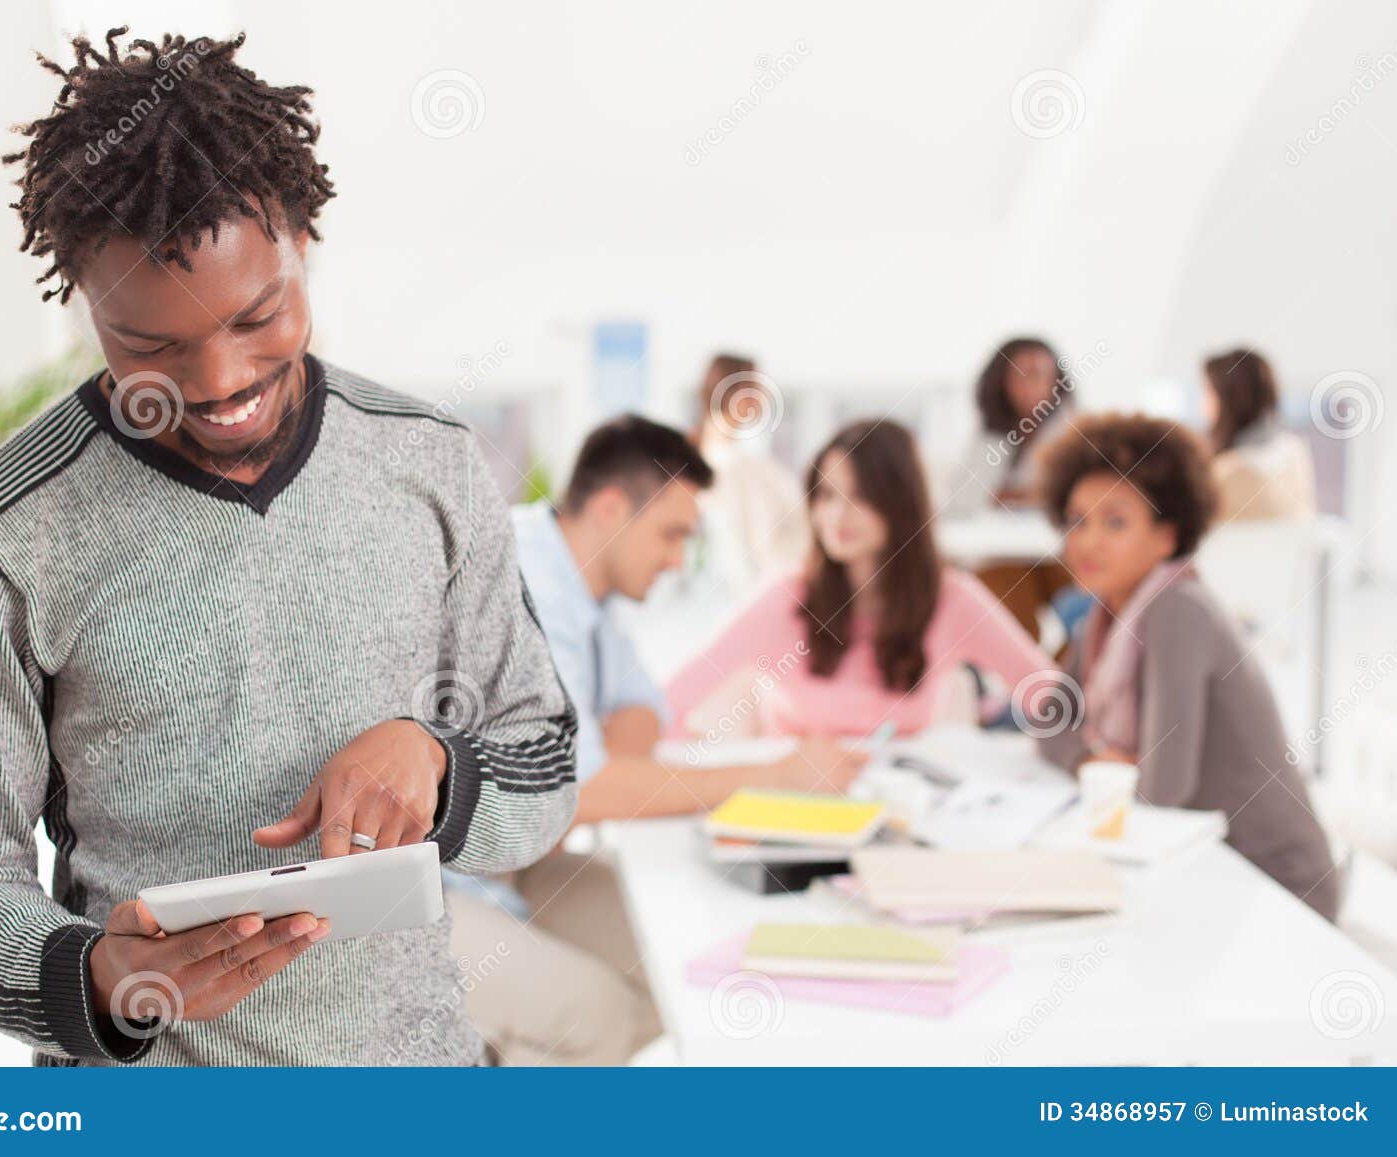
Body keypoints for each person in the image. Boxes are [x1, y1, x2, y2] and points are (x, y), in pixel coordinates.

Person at [0, 29, 578, 1067]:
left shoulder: (430, 465)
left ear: (304, 237)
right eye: (151, 344)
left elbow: (546, 763)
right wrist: (97, 976)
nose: (218, 379)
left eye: (259, 315)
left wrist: (436, 765)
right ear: (83, 296)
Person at [449, 414, 864, 1065]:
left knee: (681, 962)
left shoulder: (591, 586)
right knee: (599, 1018)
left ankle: (505, 1051)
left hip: (524, 862)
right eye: (671, 534)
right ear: (611, 508)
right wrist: (776, 774)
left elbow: (643, 711)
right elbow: (582, 786)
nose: (678, 560)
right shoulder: (529, 579)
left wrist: (589, 779)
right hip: (437, 891)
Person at [1033, 414, 1339, 920]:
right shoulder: (1107, 613)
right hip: (1193, 865)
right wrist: (1095, 763)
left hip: (1274, 884)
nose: (1087, 542)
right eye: (1076, 521)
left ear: (1167, 536)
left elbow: (1162, 791)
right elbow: (1048, 725)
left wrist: (1102, 765)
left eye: (1115, 522)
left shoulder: (1179, 611)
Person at [666, 419, 1057, 740]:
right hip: (795, 812)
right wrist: (720, 779)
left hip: (904, 808)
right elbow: (669, 704)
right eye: (827, 496)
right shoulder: (784, 598)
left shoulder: (952, 598)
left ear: (899, 502)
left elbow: (1050, 697)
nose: (837, 517)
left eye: (859, 497)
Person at [945, 337, 1080, 641]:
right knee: (996, 597)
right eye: (1019, 374)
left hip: (1061, 557)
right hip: (1003, 555)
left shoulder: (1074, 432)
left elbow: (1077, 500)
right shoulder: (988, 435)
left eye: (1038, 373)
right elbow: (961, 502)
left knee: (1087, 612)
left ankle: (1065, 677)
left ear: (1056, 380)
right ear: (1001, 383)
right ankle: (1029, 677)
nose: (1029, 385)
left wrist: (1017, 496)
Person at [689, 353, 809, 590]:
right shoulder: (733, 466)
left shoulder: (725, 458)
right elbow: (756, 553)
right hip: (767, 591)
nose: (764, 397)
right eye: (756, 386)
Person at [1202, 347, 1316, 522]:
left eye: (1208, 393)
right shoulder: (1295, 451)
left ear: (1227, 400)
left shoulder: (1223, 473)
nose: (1203, 405)